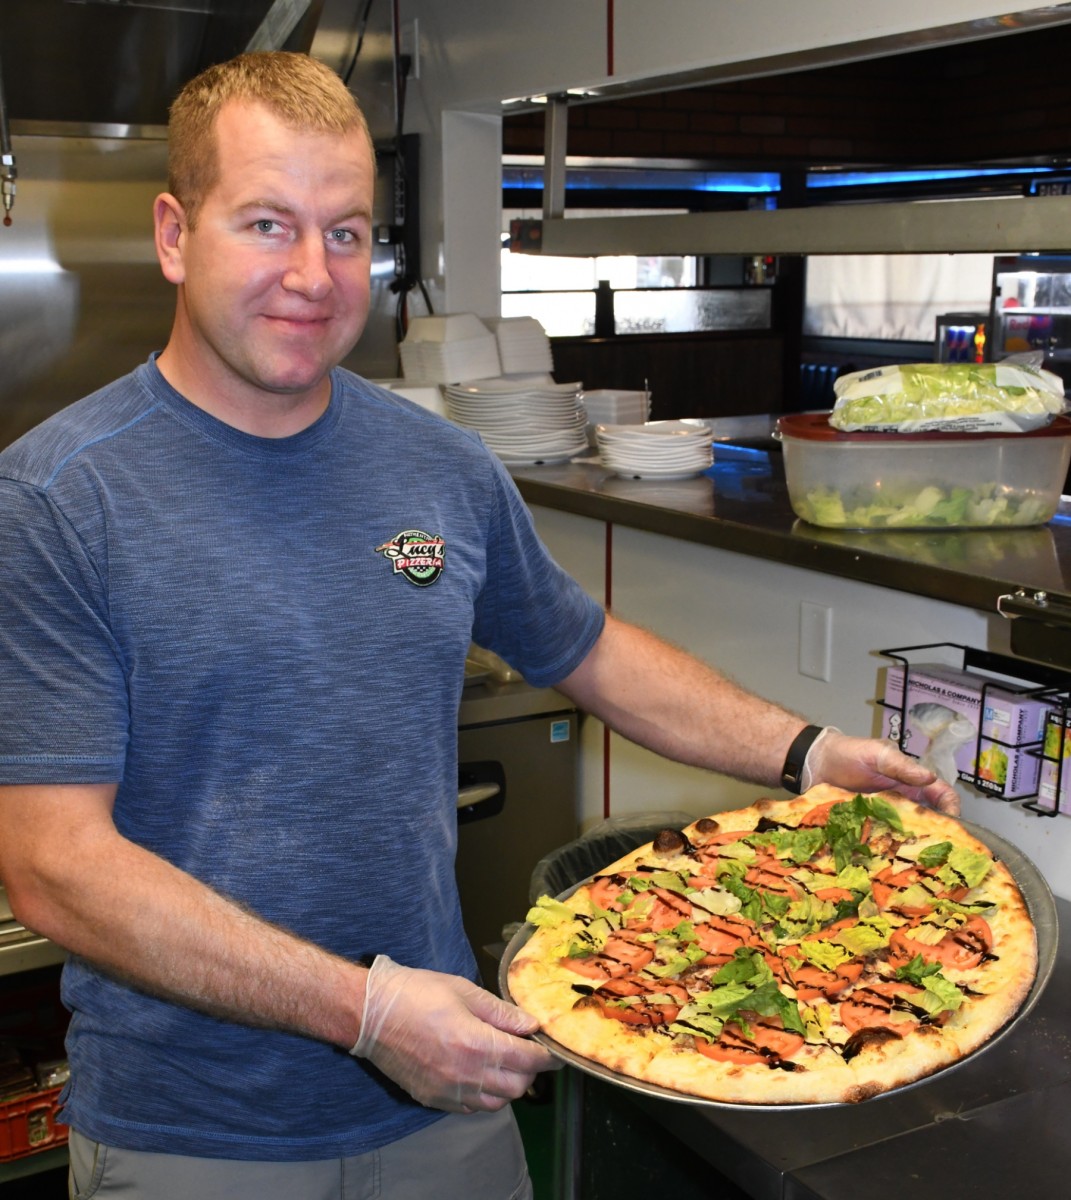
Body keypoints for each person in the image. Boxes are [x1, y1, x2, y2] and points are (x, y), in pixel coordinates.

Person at [0, 51, 957, 1200]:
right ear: (173, 233)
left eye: (345, 232)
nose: (313, 274)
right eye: (267, 223)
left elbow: (586, 648)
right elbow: (55, 868)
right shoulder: (59, 500)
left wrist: (807, 755)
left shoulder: (438, 465)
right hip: (199, 1135)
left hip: (443, 1095)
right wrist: (365, 1009)